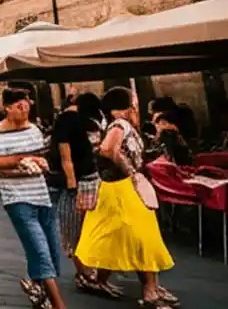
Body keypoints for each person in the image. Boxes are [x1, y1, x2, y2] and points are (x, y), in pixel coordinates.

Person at [75, 87, 177, 309]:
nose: (135, 107)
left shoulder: (122, 126)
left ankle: (105, 280)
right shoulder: (120, 125)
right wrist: (129, 169)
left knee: (121, 237)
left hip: (119, 189)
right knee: (143, 236)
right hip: (122, 189)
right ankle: (150, 291)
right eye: (131, 103)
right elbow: (107, 149)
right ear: (123, 107)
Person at [0, 88, 65, 309]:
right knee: (39, 249)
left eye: (27, 106)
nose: (24, 110)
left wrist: (41, 163)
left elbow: (40, 156)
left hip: (42, 196)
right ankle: (58, 304)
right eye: (19, 106)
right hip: (17, 199)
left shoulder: (34, 130)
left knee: (54, 253)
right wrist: (18, 161)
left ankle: (36, 287)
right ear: (6, 108)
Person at [48, 93, 117, 298]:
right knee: (77, 228)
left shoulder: (72, 119)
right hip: (83, 180)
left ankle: (89, 273)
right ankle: (86, 274)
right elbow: (65, 155)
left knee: (82, 228)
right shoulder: (69, 120)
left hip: (86, 179)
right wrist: (71, 185)